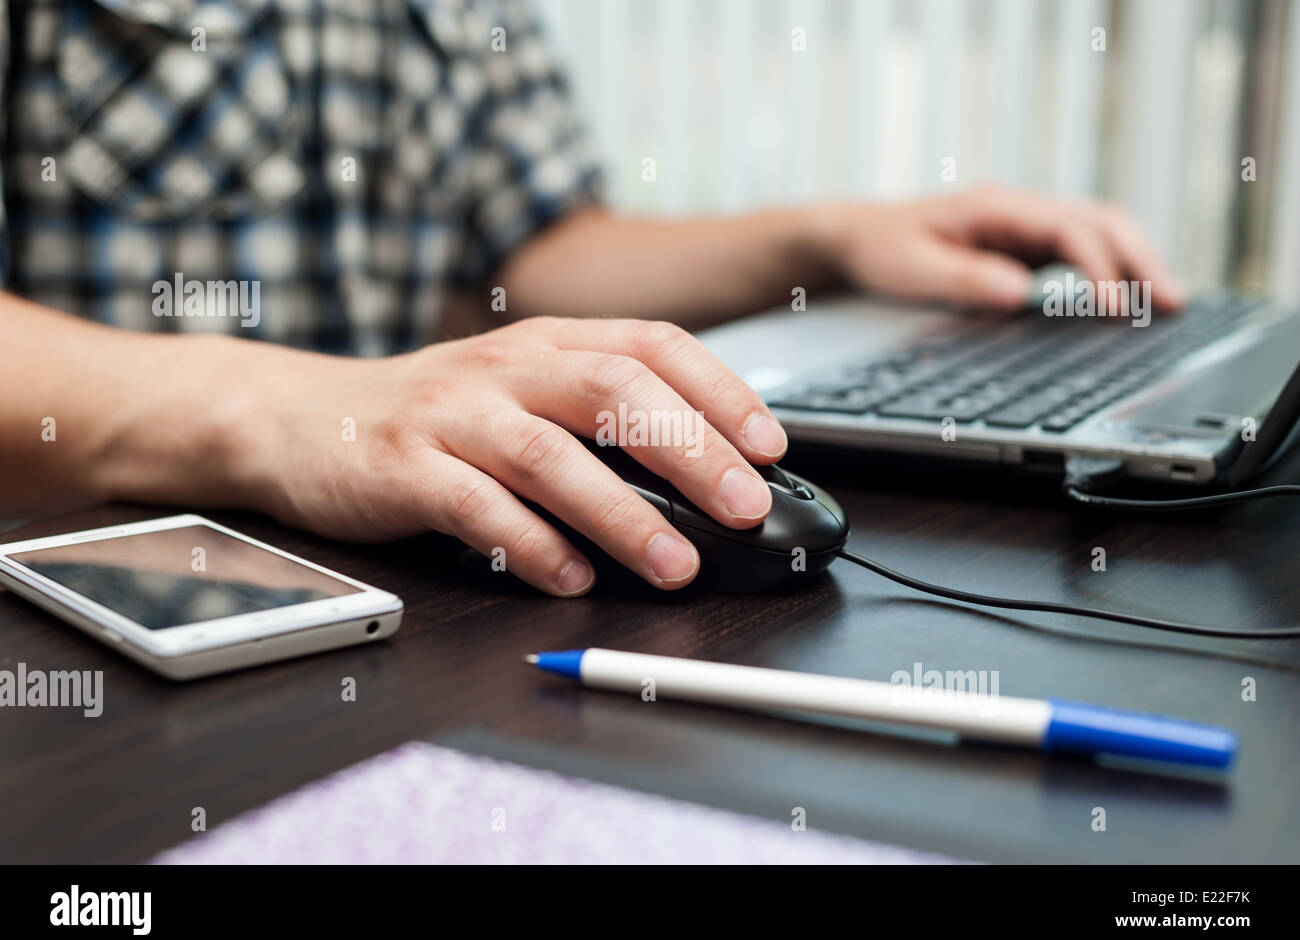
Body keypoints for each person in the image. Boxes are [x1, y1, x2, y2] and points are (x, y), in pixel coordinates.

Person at [0, 0, 1183, 596]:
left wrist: (829, 238)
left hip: (393, 577)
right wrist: (296, 409)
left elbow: (544, 242)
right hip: (97, 582)